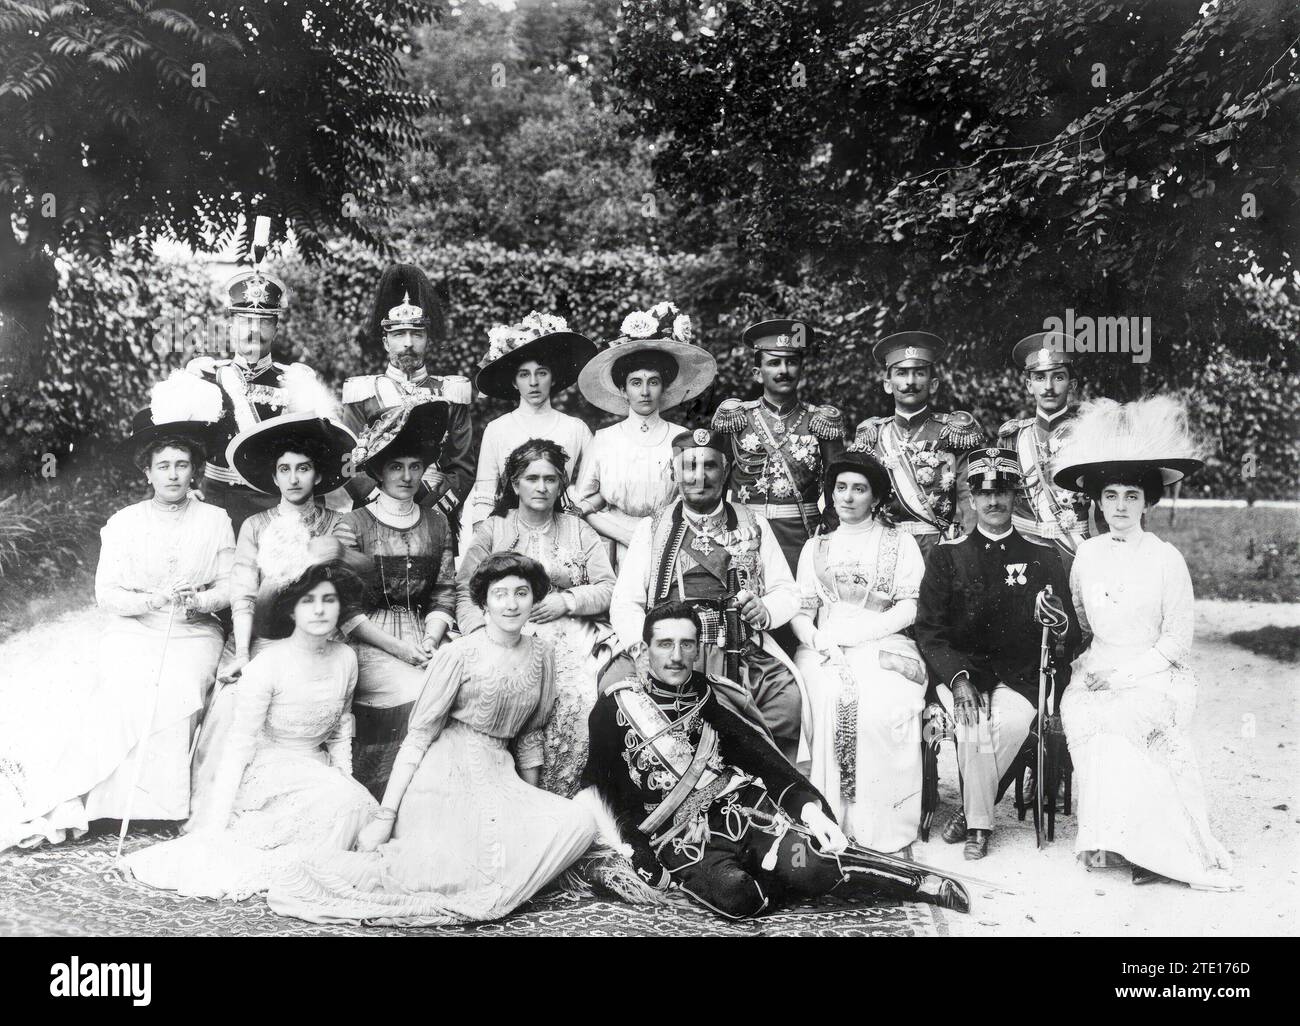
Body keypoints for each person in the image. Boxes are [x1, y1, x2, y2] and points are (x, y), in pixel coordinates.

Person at [265, 553, 597, 926]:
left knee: (578, 821)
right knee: (450, 870)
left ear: (534, 599)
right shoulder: (459, 654)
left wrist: (532, 799)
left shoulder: (543, 654)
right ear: (483, 601)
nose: (511, 603)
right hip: (445, 774)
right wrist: (385, 816)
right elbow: (417, 738)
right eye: (500, 593)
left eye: (522, 593)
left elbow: (530, 735)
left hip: (500, 773)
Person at [582, 601, 970, 918]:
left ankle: (917, 884)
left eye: (687, 644)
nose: (677, 655)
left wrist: (811, 813)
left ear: (699, 649)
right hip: (681, 840)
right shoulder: (616, 707)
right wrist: (634, 848)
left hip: (746, 812)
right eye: (665, 644)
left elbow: (764, 761)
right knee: (737, 898)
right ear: (643, 649)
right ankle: (777, 872)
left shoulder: (708, 699)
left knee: (812, 866)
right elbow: (598, 787)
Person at [1, 372, 233, 850]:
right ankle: (106, 802)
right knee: (126, 685)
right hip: (136, 627)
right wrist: (149, 600)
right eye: (162, 465)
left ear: (195, 471)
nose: (172, 474)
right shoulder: (123, 524)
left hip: (193, 631)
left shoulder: (216, 521)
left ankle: (160, 807)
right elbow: (106, 594)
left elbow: (232, 585)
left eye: (182, 465)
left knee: (179, 681)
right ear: (146, 473)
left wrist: (202, 601)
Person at [1052, 396, 1239, 889]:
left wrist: (1124, 675)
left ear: (1147, 501)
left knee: (1125, 717)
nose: (1119, 506)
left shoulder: (1165, 559)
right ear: (1097, 500)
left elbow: (1177, 641)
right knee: (1085, 712)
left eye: (1131, 496)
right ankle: (1107, 837)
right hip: (1100, 667)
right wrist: (1089, 668)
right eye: (1110, 495)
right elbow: (1084, 621)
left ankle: (1153, 849)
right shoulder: (1086, 556)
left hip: (1157, 673)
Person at [124, 559, 378, 898]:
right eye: (309, 601)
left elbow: (341, 726)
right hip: (270, 772)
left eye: (329, 601)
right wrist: (216, 821)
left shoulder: (346, 657)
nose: (319, 611)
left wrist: (344, 776)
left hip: (318, 770)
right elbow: (238, 747)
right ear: (291, 611)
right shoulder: (268, 666)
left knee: (359, 807)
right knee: (342, 807)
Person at [913, 448, 1081, 860]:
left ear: (1015, 497)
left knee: (1004, 726)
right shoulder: (947, 557)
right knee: (971, 724)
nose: (993, 502)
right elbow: (929, 632)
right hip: (963, 673)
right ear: (971, 498)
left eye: (1003, 493)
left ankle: (973, 818)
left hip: (1021, 676)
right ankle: (980, 824)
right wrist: (958, 680)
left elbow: (1071, 635)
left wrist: (1057, 623)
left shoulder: (1043, 558)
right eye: (984, 493)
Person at [607, 428, 805, 762]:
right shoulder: (652, 529)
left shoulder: (753, 523)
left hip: (737, 648)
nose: (700, 477)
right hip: (669, 648)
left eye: (710, 466)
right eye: (690, 468)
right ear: (675, 473)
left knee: (787, 701)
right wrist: (641, 648)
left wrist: (765, 609)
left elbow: (787, 591)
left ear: (726, 470)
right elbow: (625, 601)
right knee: (615, 693)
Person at [457, 439, 616, 799]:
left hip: (575, 634)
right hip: (507, 634)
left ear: (561, 484)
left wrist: (568, 601)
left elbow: (609, 586)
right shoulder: (494, 529)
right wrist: (482, 635)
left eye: (550, 479)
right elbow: (465, 590)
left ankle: (571, 796)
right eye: (532, 478)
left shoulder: (578, 529)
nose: (541, 487)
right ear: (515, 484)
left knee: (580, 696)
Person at [788, 450, 928, 854]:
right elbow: (802, 611)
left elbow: (909, 606)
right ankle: (826, 820)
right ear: (831, 495)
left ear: (876, 497)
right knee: (822, 697)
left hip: (884, 639)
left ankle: (879, 824)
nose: (848, 497)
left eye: (859, 489)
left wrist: (863, 633)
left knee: (879, 706)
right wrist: (818, 641)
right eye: (841, 488)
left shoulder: (899, 543)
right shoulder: (816, 547)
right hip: (825, 646)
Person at [341, 399, 457, 798]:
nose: (406, 476)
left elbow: (444, 590)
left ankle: (443, 797)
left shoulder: (437, 522)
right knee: (418, 694)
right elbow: (347, 609)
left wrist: (430, 638)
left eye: (414, 466)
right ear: (378, 470)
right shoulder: (354, 523)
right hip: (369, 639)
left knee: (464, 687)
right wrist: (401, 649)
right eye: (395, 466)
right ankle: (393, 798)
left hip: (425, 634)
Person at [186, 250, 337, 535]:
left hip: (276, 503)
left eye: (264, 321)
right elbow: (187, 443)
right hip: (219, 501)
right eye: (245, 320)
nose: (253, 330)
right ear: (231, 325)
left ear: (277, 328)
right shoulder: (206, 376)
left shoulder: (295, 380)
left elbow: (314, 450)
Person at [572, 301, 716, 568]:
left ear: (664, 387)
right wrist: (619, 531)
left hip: (671, 539)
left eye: (653, 382)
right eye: (636, 383)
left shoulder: (681, 437)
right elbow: (582, 502)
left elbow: (696, 497)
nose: (645, 392)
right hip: (614, 542)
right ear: (624, 390)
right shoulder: (605, 438)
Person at [340, 264, 474, 538]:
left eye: (417, 334)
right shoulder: (362, 391)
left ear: (427, 340)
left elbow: (463, 466)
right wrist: (382, 503)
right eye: (399, 335)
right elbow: (348, 461)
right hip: (373, 513)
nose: (408, 343)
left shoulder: (451, 392)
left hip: (434, 511)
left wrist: (429, 501)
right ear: (386, 342)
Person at [712, 318, 845, 572]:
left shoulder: (820, 421)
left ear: (801, 369)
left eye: (791, 362)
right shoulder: (737, 418)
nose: (784, 370)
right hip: (746, 536)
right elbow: (717, 481)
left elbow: (836, 489)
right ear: (757, 373)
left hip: (802, 538)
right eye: (774, 363)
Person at [851, 331, 985, 562]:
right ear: (887, 384)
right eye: (901, 373)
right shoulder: (873, 434)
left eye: (919, 373)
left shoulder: (953, 432)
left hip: (939, 547)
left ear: (933, 384)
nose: (910, 382)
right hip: (884, 549)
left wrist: (969, 548)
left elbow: (968, 494)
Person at [465, 311, 596, 544]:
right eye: (524, 375)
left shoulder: (576, 429)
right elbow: (484, 495)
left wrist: (577, 513)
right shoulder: (497, 429)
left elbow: (591, 488)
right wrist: (485, 543)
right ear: (514, 382)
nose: (534, 383)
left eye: (541, 373)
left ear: (553, 378)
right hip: (508, 533)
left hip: (562, 533)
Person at [997, 331, 1096, 572]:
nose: (1049, 387)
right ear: (1030, 385)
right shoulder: (1012, 436)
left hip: (1074, 549)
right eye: (1040, 378)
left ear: (1071, 384)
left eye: (1058, 377)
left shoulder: (1090, 435)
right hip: (1022, 547)